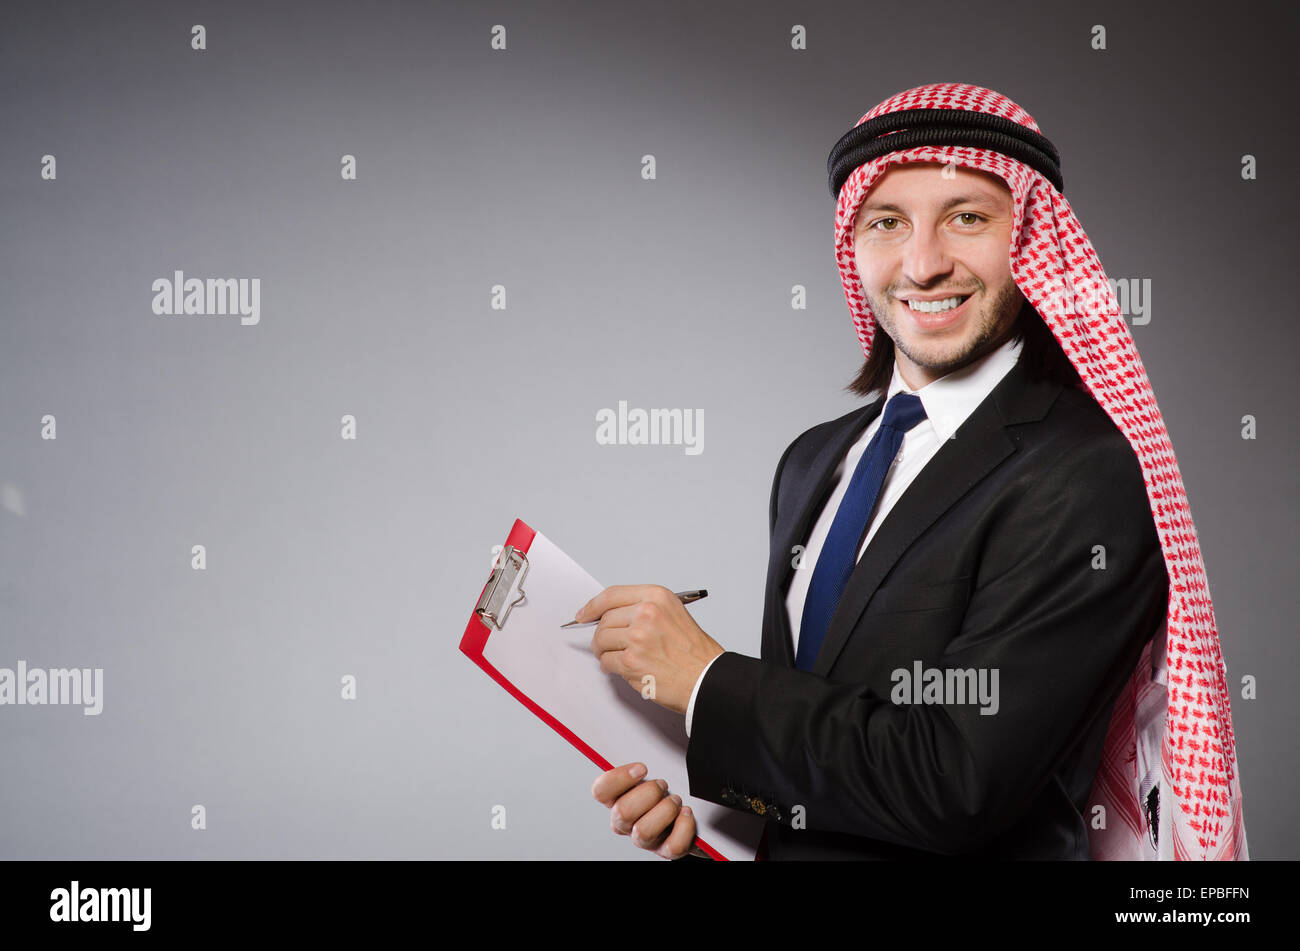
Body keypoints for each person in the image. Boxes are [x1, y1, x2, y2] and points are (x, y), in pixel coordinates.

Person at [579, 83, 1248, 861]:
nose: (924, 265)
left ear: (1029, 237)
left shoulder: (1086, 473)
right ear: (852, 242)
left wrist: (704, 680)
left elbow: (957, 783)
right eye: (886, 222)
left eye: (968, 217)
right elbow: (821, 738)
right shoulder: (812, 461)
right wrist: (715, 813)